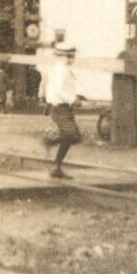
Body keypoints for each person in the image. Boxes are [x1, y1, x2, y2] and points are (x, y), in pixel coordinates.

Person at [43, 42, 83, 180]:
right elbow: (59, 90)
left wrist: (76, 97)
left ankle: (50, 142)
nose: (73, 59)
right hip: (60, 107)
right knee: (71, 135)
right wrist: (73, 100)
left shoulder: (59, 68)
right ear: (65, 56)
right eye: (72, 56)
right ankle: (56, 167)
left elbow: (62, 88)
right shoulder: (61, 70)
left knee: (76, 136)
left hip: (62, 107)